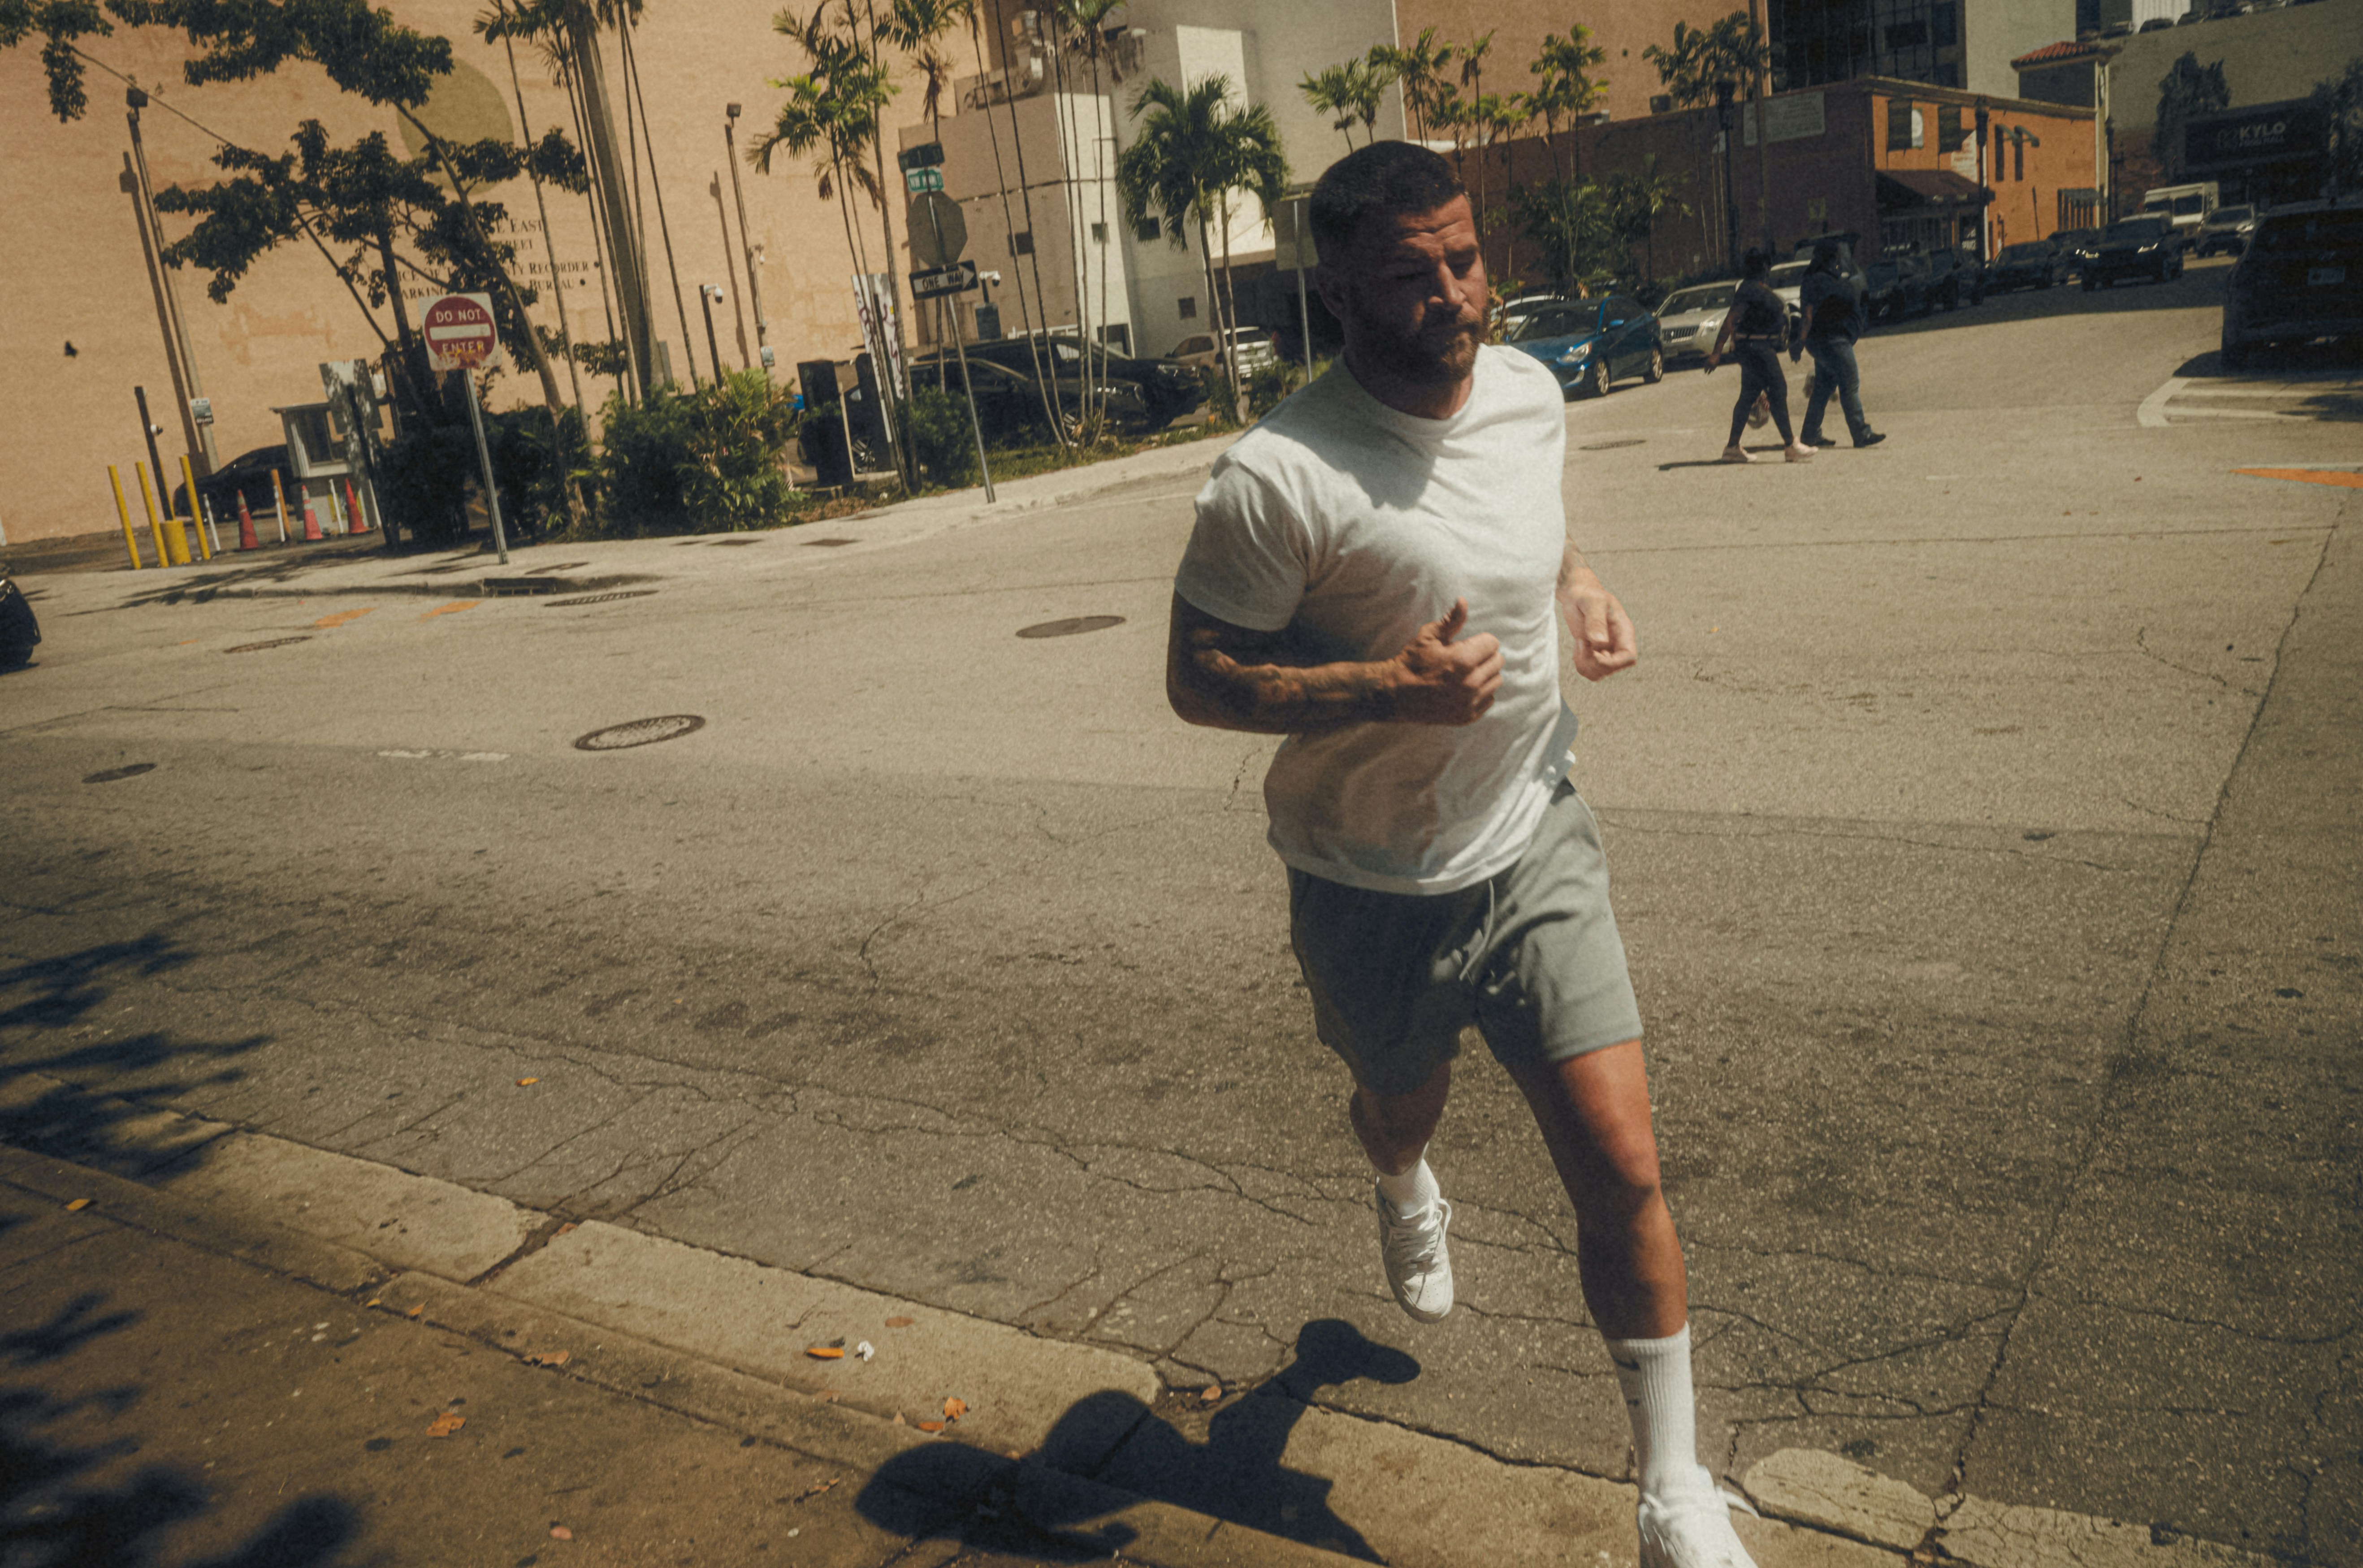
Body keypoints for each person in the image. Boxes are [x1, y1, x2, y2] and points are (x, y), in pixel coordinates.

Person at [1166, 141, 1759, 1568]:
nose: (1450, 293)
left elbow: (1529, 537)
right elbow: (1198, 677)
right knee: (1397, 1100)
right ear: (1337, 288)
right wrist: (1385, 687)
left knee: (1620, 1159)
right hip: (1370, 885)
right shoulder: (1277, 475)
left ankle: (1670, 1490)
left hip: (1532, 833)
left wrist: (1582, 586)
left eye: (1463, 258)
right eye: (1408, 273)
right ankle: (1399, 1178)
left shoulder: (1530, 392)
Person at [1704, 249, 1811, 463]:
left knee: (1748, 396)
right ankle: (1791, 445)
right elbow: (1730, 320)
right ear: (1763, 267)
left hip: (1758, 347)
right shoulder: (1748, 290)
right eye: (1766, 266)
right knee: (1778, 389)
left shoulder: (1756, 288)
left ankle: (1732, 448)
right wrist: (1716, 353)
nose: (1768, 270)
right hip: (1756, 348)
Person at [1793, 243, 1885, 450]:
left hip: (1825, 341)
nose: (1839, 261)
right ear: (1830, 259)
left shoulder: (1819, 279)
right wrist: (1800, 342)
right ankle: (1861, 433)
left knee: (1823, 389)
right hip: (1833, 341)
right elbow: (1807, 315)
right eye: (1836, 257)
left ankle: (1810, 435)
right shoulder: (1818, 281)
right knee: (1850, 385)